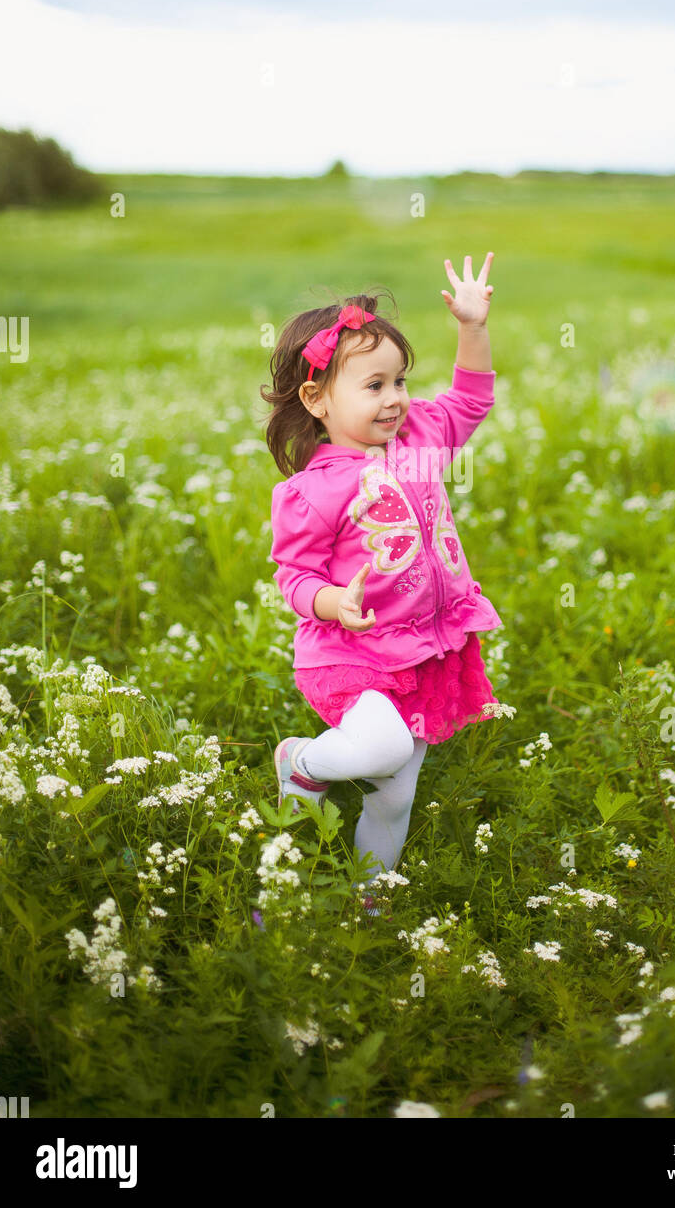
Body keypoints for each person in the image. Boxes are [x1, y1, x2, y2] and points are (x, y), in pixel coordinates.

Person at [260, 253, 502, 915]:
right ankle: (305, 764)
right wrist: (334, 601)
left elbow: (472, 398)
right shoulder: (311, 491)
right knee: (386, 745)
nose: (396, 397)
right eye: (374, 386)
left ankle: (369, 904)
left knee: (395, 796)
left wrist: (472, 327)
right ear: (317, 400)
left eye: (400, 380)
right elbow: (296, 578)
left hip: (424, 649)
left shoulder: (421, 437)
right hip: (350, 655)